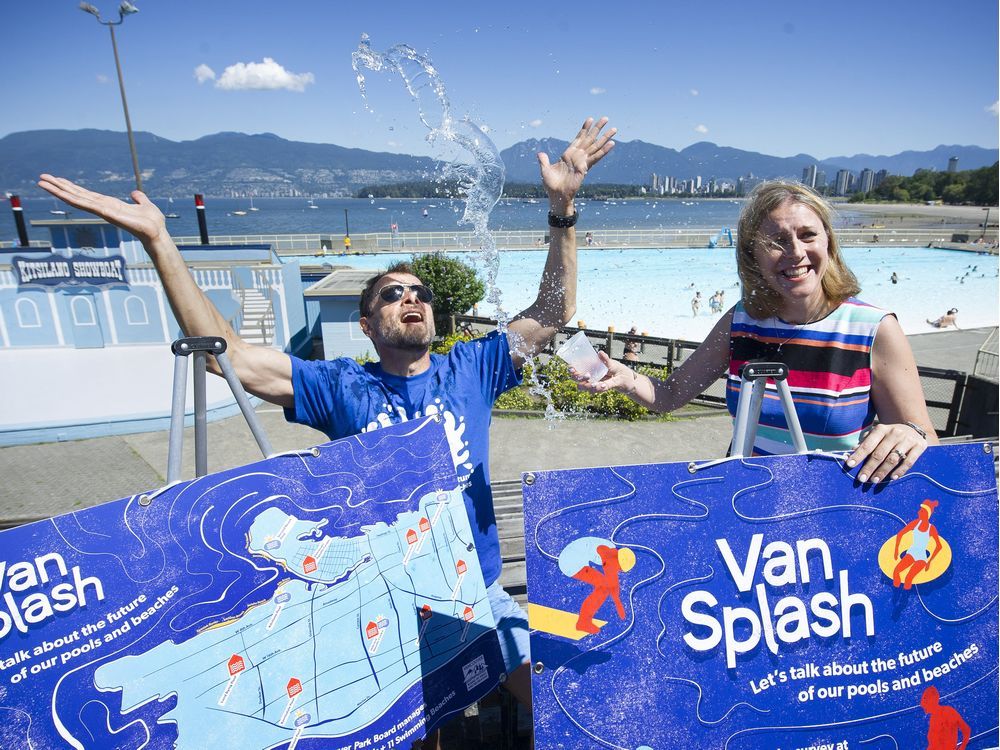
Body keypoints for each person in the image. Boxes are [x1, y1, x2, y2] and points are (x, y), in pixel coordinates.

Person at [38, 116, 616, 737]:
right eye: (392, 294)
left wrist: (562, 208)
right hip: (376, 604)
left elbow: (554, 310)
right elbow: (224, 355)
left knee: (562, 696)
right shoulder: (341, 385)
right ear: (367, 325)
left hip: (474, 593)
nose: (411, 298)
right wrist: (160, 241)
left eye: (419, 290)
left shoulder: (472, 368)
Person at [577, 181, 937, 484]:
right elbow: (671, 395)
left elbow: (923, 438)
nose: (795, 252)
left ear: (828, 241)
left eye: (808, 235)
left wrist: (911, 434)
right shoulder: (741, 321)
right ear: (753, 254)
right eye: (777, 241)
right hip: (749, 504)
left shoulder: (873, 329)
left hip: (836, 510)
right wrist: (628, 379)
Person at [557, 537, 636, 634]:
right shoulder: (607, 553)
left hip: (573, 555)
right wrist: (618, 603)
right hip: (571, 563)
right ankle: (583, 622)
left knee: (604, 586)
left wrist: (617, 601)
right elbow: (612, 580)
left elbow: (612, 579)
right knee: (604, 587)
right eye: (619, 568)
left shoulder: (612, 551)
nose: (618, 570)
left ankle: (584, 621)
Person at [892, 499, 942, 589]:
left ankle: (905, 595)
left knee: (909, 578)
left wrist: (929, 561)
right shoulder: (915, 523)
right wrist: (896, 550)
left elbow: (939, 546)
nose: (919, 512)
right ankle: (896, 590)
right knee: (896, 571)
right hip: (912, 552)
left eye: (921, 511)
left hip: (922, 557)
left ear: (926, 514)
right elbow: (900, 534)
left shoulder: (931, 528)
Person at [920, 685, 971, 750]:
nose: (922, 704)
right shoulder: (933, 718)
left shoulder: (947, 711)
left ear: (933, 700)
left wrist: (962, 747)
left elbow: (966, 729)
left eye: (925, 700)